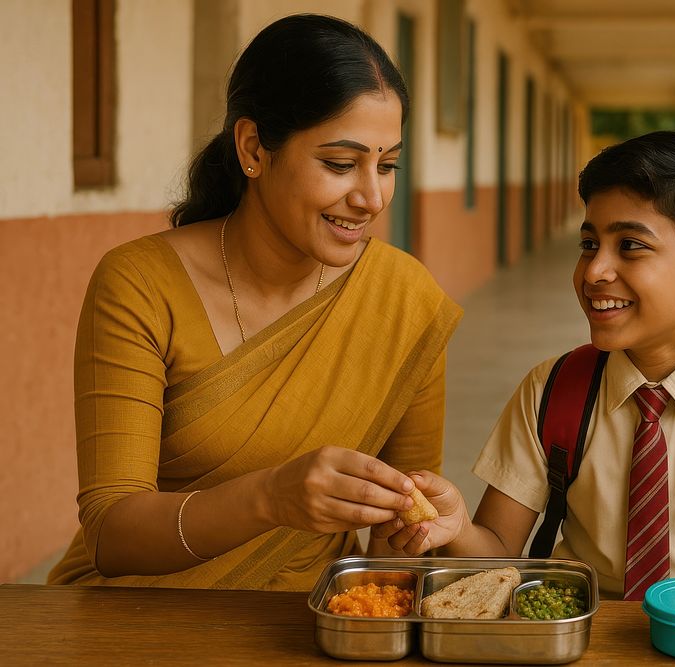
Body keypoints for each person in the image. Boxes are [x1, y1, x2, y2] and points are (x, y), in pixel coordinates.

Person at [48, 14, 461, 591]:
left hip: (311, 620)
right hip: (133, 617)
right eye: (340, 164)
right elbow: (112, 535)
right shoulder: (141, 283)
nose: (371, 196)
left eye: (387, 165)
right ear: (253, 148)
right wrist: (269, 498)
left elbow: (401, 538)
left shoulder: (406, 300)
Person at [376, 132, 675, 602]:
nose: (594, 271)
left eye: (630, 246)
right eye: (589, 244)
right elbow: (499, 551)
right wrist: (458, 526)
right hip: (583, 637)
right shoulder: (553, 389)